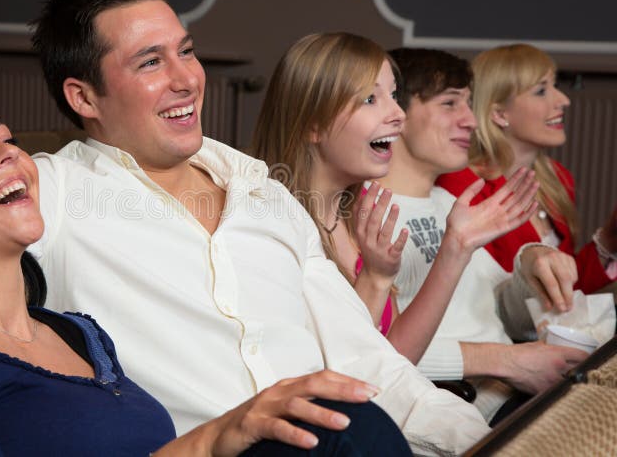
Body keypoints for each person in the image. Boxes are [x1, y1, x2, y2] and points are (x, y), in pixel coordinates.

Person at [0, 0, 489, 454]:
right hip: (228, 447)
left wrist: (488, 441)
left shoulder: (263, 189)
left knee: (352, 417)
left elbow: (365, 360)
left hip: (343, 440)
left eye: (186, 51)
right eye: (149, 62)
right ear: (84, 98)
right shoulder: (47, 192)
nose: (186, 78)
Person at [0, 91, 410, 455]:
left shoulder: (78, 334)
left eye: (6, 138)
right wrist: (211, 441)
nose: (5, 153)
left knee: (333, 421)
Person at [252, 34, 537, 367]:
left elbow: (397, 359)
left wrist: (456, 247)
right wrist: (376, 278)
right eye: (371, 99)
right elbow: (337, 373)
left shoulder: (358, 218)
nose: (398, 114)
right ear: (313, 124)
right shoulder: (272, 226)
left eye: (394, 96)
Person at [379, 48, 589, 424]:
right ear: (398, 114)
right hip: (466, 408)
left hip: (515, 394)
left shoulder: (448, 201)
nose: (471, 121)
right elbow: (372, 352)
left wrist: (532, 261)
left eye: (469, 104)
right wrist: (507, 361)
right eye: (449, 104)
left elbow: (512, 319)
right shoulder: (366, 212)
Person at [437, 44, 617, 301]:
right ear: (499, 113)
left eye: (555, 86)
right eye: (542, 90)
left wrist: (609, 240)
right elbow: (476, 298)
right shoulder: (463, 184)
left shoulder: (557, 179)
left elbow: (564, 291)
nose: (563, 100)